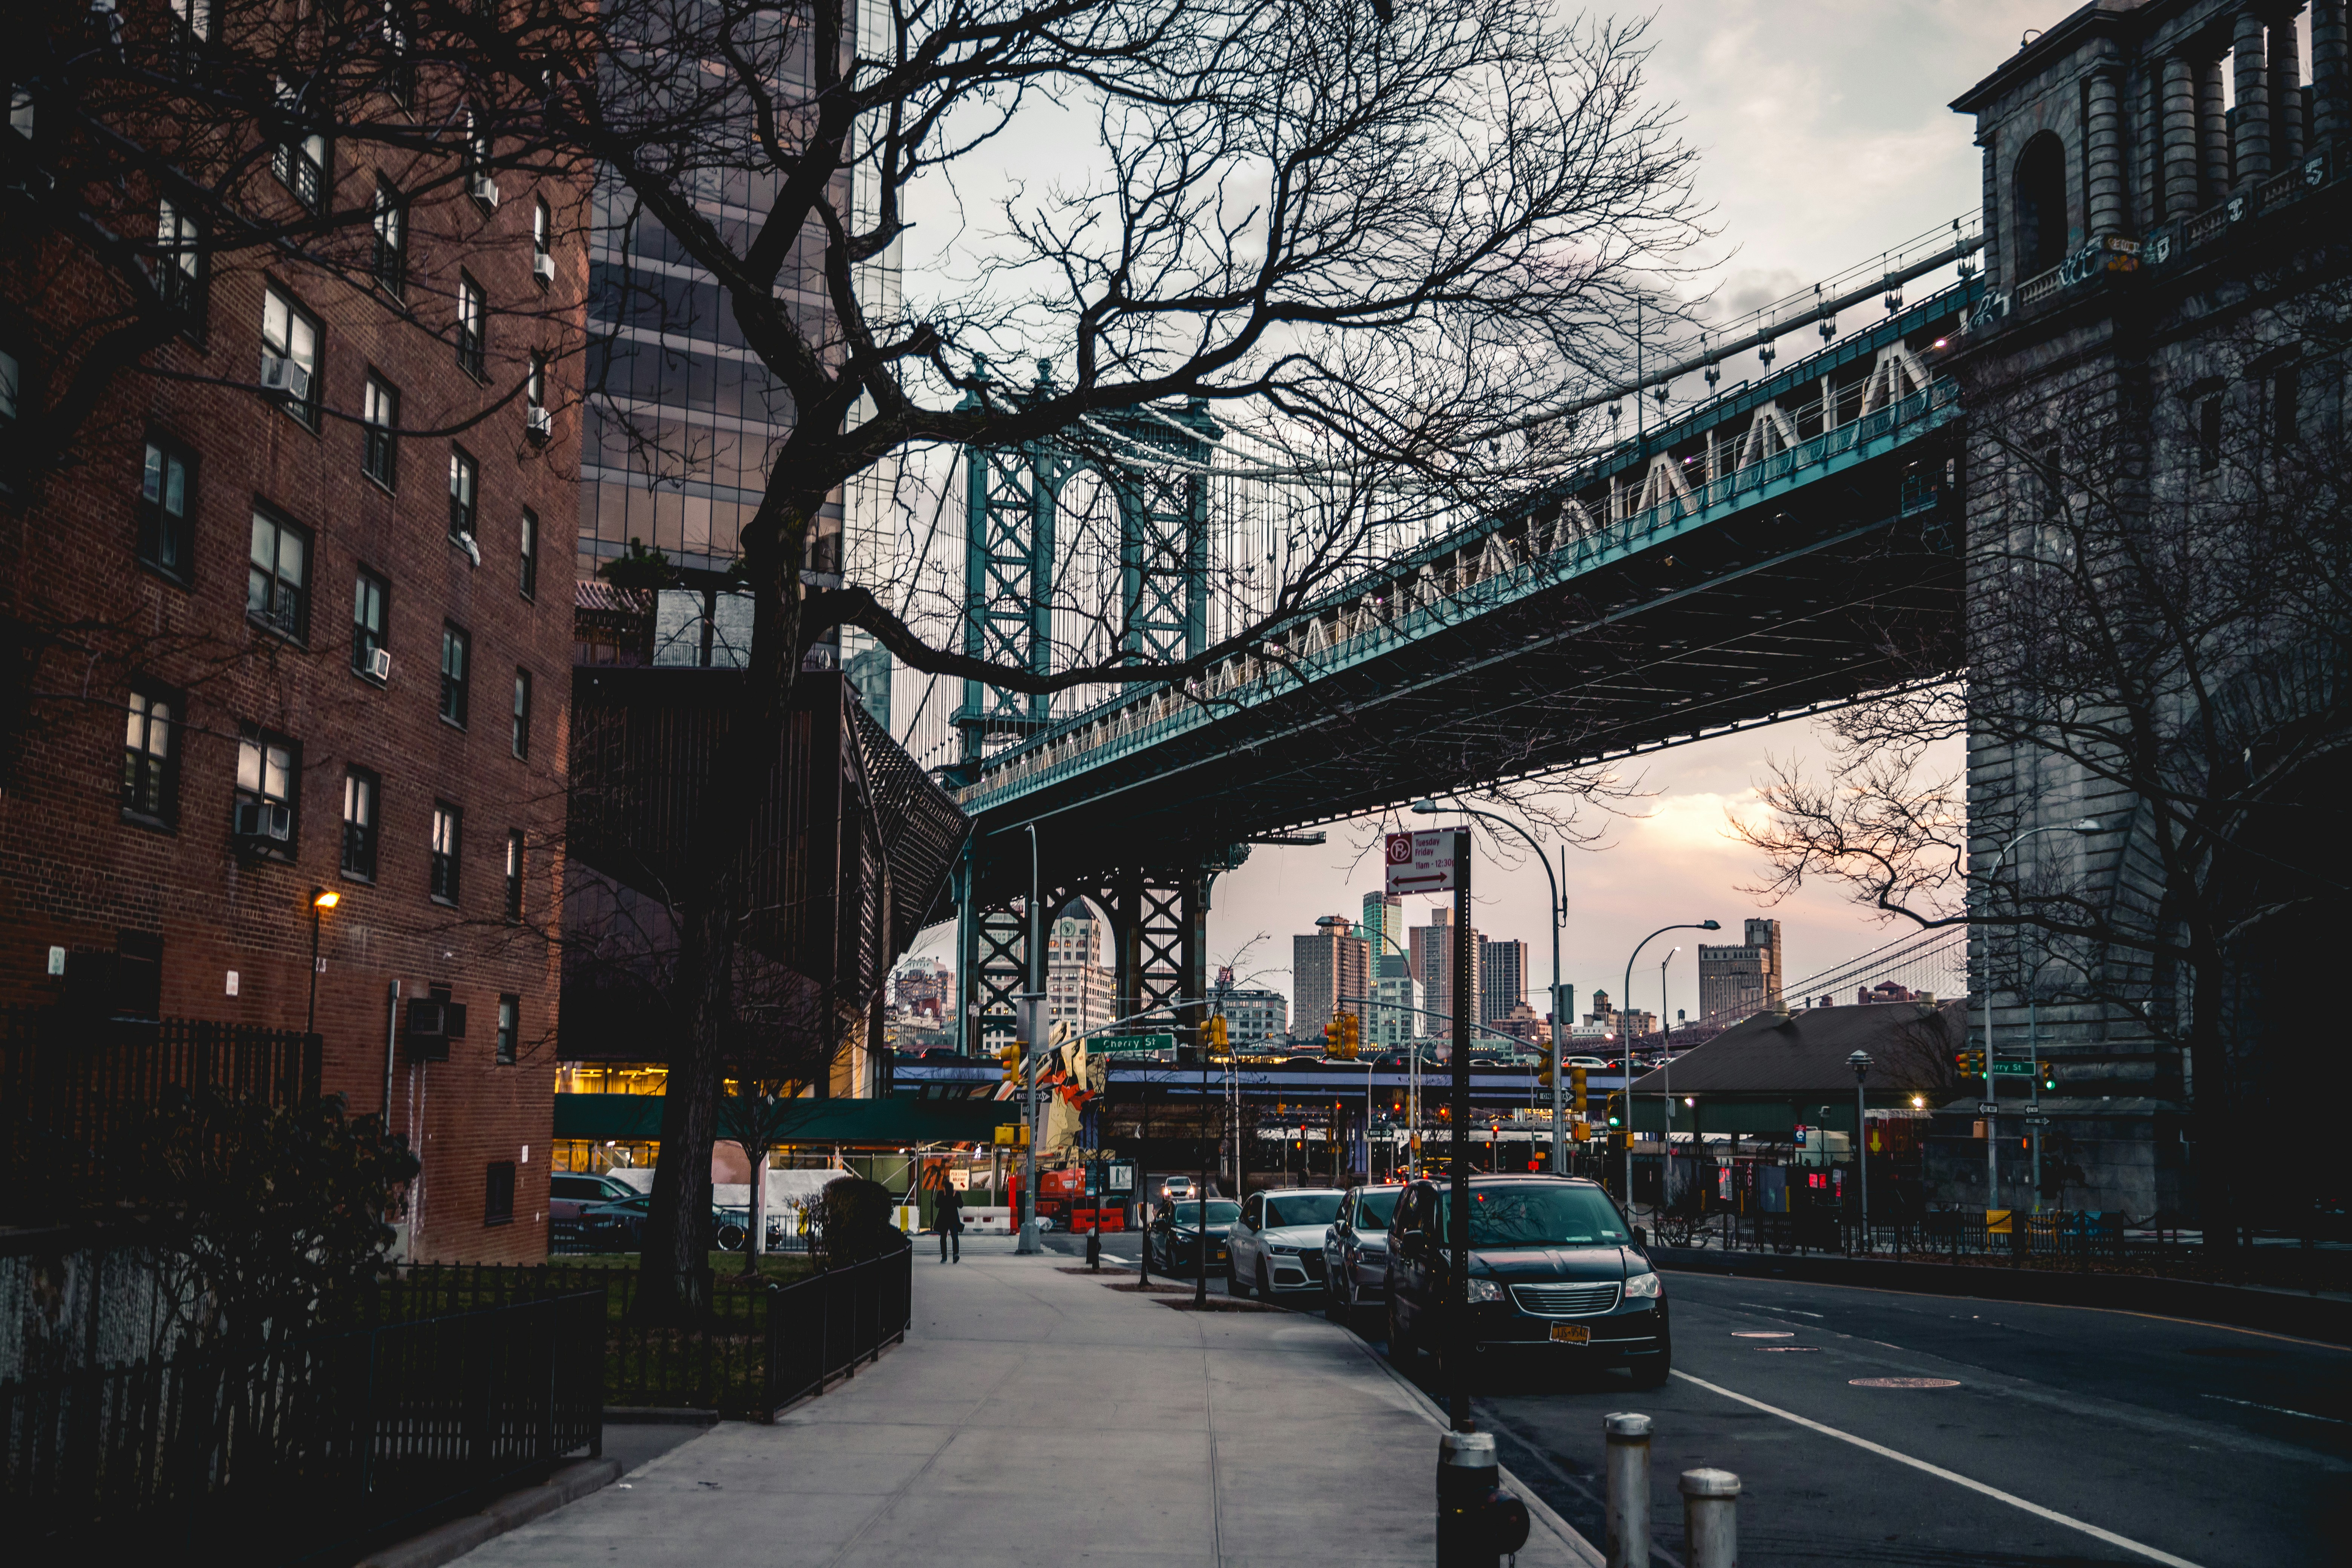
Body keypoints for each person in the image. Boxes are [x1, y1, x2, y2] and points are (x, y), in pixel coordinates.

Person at [936, 1177, 963, 1263]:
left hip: (944, 1219)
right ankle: (956, 1254)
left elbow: (937, 1205)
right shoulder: (956, 1194)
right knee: (955, 1237)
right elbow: (961, 1205)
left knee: (943, 1238)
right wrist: (955, 1198)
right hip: (954, 1219)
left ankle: (944, 1257)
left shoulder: (941, 1193)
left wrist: (944, 1198)